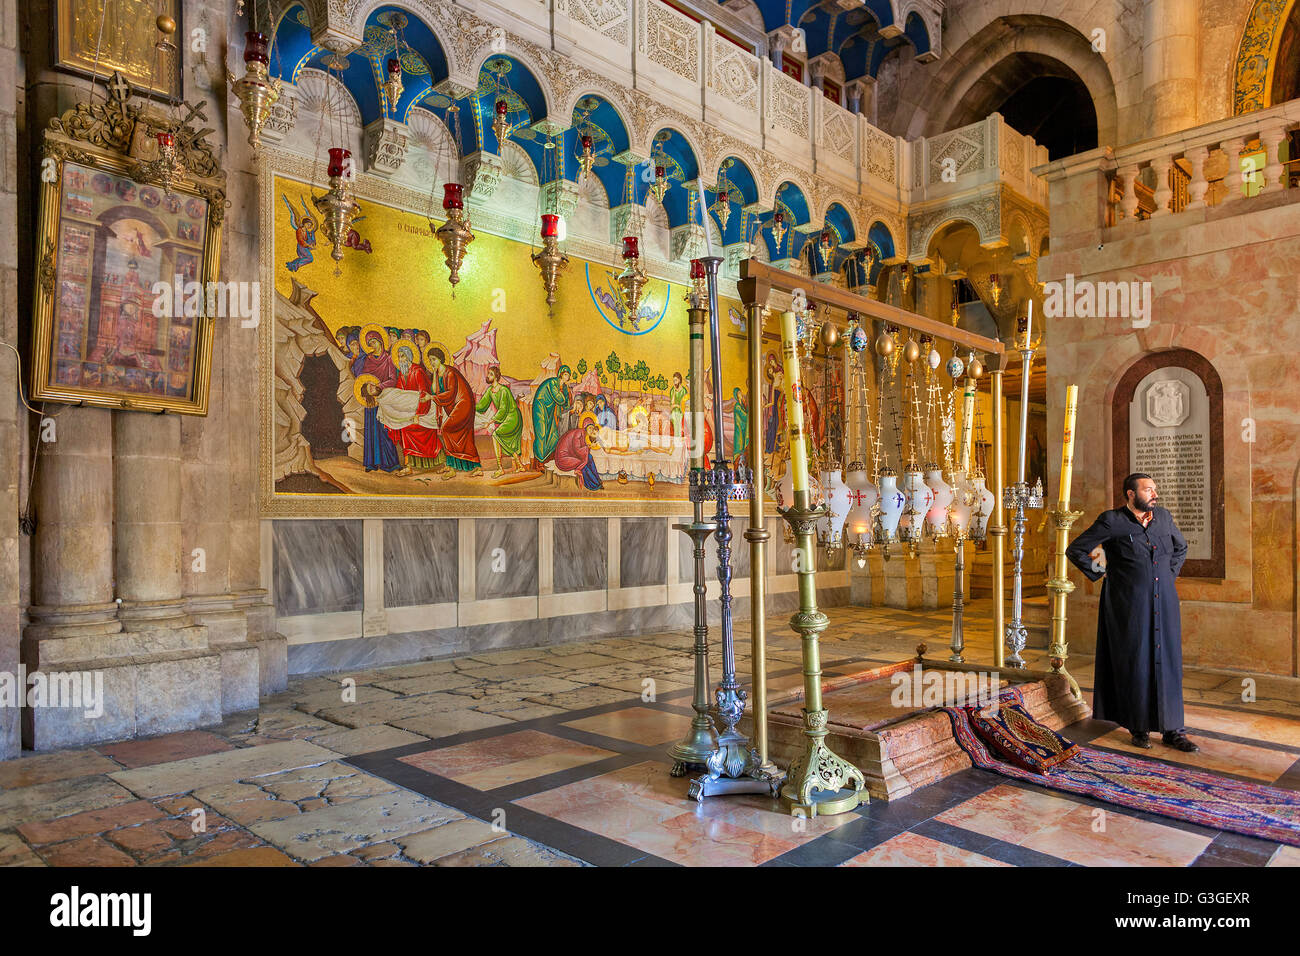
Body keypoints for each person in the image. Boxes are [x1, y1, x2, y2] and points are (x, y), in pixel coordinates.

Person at [1065, 473, 1198, 753]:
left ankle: (1174, 730)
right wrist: (1104, 574)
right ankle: (1138, 727)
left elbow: (1181, 547)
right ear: (1130, 494)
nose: (1154, 494)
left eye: (1155, 490)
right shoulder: (1112, 520)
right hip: (1128, 604)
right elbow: (1077, 549)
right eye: (1148, 490)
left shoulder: (1163, 517)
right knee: (1136, 661)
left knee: (1168, 663)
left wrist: (1168, 574)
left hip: (1165, 603)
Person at [425, 347, 482, 477]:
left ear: (440, 359)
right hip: (455, 406)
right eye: (430, 360)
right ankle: (466, 466)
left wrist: (432, 398)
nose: (432, 362)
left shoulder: (449, 373)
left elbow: (450, 394)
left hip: (463, 405)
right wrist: (434, 374)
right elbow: (435, 391)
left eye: (434, 359)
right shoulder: (438, 373)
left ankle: (452, 469)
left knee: (446, 429)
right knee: (463, 437)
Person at [475, 365, 524, 476]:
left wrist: (490, 422)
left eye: (490, 374)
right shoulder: (490, 391)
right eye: (488, 373)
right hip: (506, 418)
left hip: (513, 417)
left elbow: (503, 410)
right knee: (504, 441)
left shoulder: (504, 390)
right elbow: (481, 406)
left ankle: (500, 468)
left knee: (496, 435)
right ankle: (520, 466)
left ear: (496, 377)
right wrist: (468, 406)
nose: (488, 376)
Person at [531, 365, 572, 465]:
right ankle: (539, 462)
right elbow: (560, 399)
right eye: (565, 374)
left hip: (549, 410)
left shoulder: (564, 387)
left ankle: (548, 459)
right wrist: (565, 393)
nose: (567, 377)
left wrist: (567, 392)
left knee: (553, 433)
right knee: (542, 433)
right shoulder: (553, 382)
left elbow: (566, 404)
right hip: (540, 407)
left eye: (568, 375)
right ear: (561, 375)